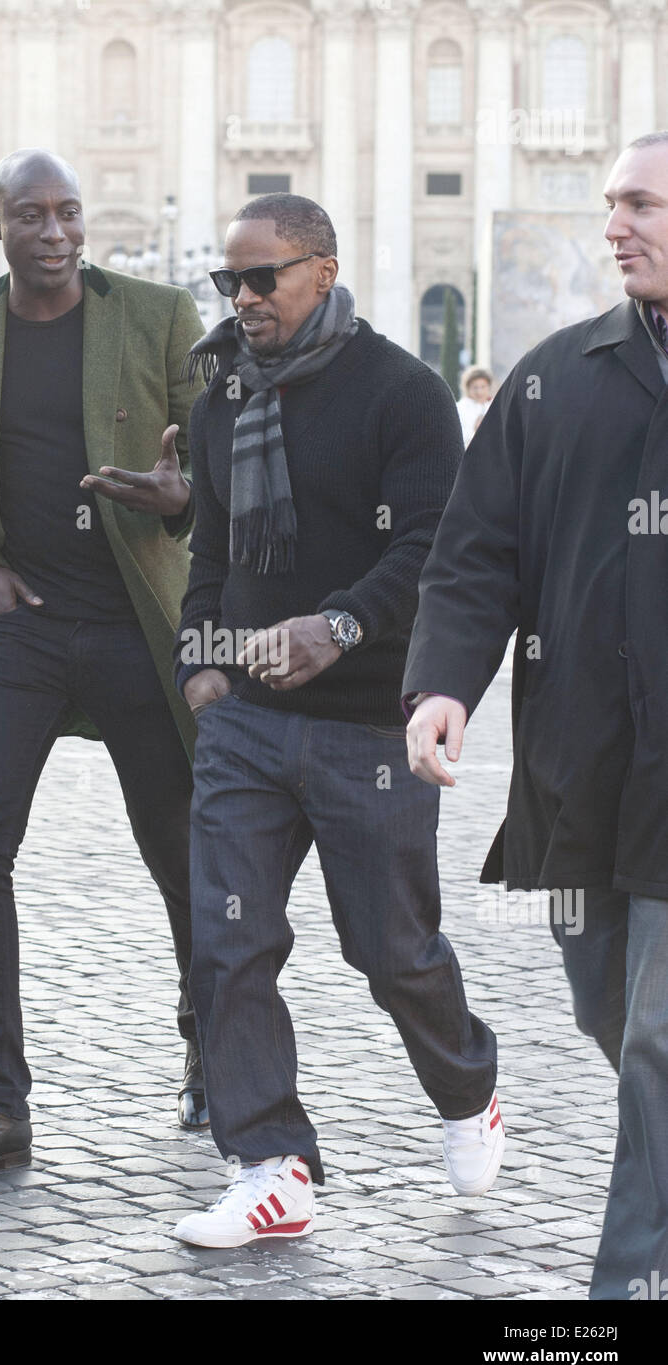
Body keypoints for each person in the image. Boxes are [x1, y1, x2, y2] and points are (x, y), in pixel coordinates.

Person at [170, 193, 503, 1249]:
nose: (243, 298)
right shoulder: (223, 389)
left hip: (368, 727)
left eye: (262, 278)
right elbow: (212, 546)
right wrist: (198, 660)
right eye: (229, 281)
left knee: (391, 950)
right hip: (245, 725)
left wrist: (341, 625)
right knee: (228, 946)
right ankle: (270, 1166)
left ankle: (467, 1089)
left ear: (321, 270)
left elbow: (433, 546)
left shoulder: (399, 392)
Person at [403, 132, 668, 1300]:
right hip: (579, 764)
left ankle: (618, 1291)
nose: (614, 225)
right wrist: (443, 683)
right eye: (611, 204)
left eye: (641, 205)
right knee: (599, 999)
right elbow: (473, 552)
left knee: (659, 1035)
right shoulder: (553, 376)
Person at [0, 148, 208, 1182]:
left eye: (68, 213)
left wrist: (182, 497)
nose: (54, 232)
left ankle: (206, 1034)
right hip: (14, 628)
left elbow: (210, 452)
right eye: (30, 214)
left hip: (135, 620)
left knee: (182, 850)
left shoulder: (159, 315)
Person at [455, 365, 493, 447]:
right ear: (467, 388)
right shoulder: (460, 408)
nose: (479, 392)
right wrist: (476, 430)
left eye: (483, 387)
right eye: (475, 387)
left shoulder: (493, 406)